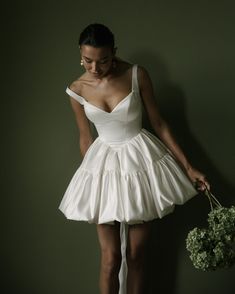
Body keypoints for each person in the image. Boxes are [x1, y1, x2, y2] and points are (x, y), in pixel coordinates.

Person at [59, 23, 210, 294]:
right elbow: (85, 138)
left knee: (137, 256)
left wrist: (189, 168)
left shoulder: (137, 75)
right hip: (102, 167)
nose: (95, 68)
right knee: (109, 260)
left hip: (140, 163)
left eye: (103, 60)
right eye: (88, 60)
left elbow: (159, 124)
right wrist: (92, 180)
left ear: (114, 53)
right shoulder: (77, 89)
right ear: (80, 54)